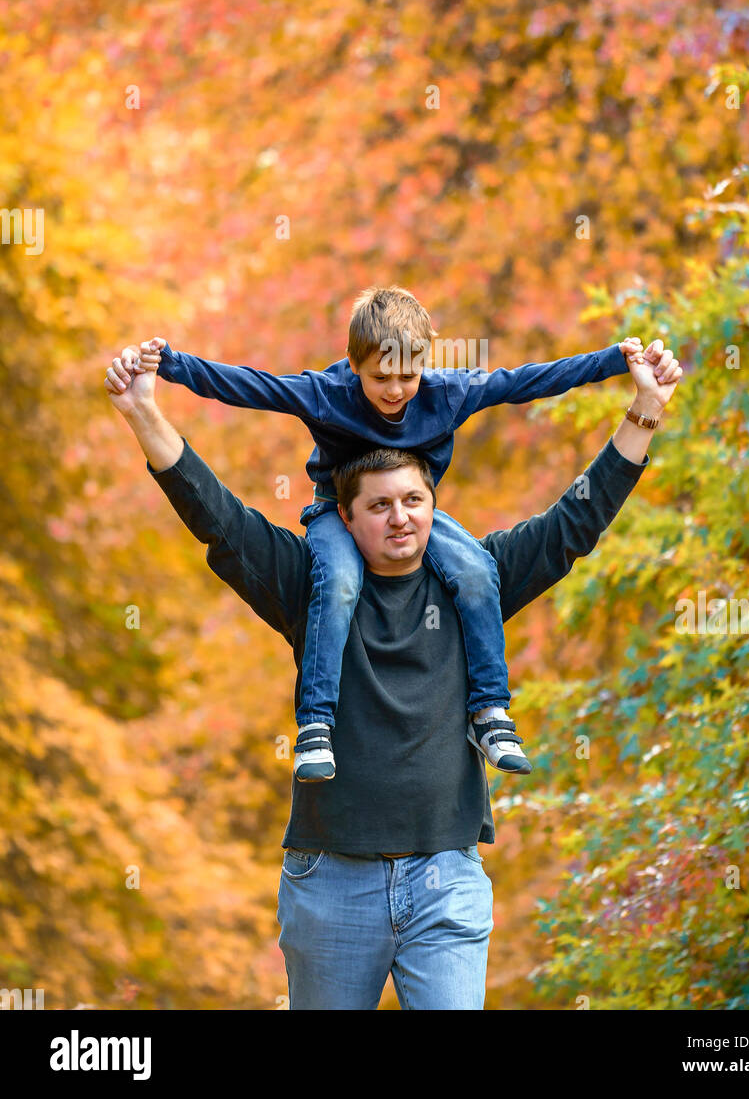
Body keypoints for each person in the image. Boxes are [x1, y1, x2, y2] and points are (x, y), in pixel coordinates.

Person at [104, 333, 682, 1010]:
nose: (400, 518)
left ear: (433, 506)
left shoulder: (480, 583)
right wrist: (143, 411)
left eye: (412, 500)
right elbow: (221, 521)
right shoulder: (308, 586)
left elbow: (572, 524)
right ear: (343, 519)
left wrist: (644, 408)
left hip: (446, 875)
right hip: (331, 883)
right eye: (378, 506)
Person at [121, 285, 644, 782]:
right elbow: (252, 386)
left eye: (407, 376)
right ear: (354, 366)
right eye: (379, 378)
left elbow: (527, 381)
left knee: (477, 571)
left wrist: (614, 361)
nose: (394, 391)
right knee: (339, 583)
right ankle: (317, 723)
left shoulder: (448, 394)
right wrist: (172, 364)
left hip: (415, 519)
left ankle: (489, 710)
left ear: (424, 365)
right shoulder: (328, 393)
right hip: (335, 512)